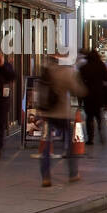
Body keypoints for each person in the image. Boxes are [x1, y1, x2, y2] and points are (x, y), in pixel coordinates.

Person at [38, 51, 85, 186]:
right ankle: (73, 173)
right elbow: (78, 90)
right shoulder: (66, 71)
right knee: (70, 143)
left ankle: (46, 176)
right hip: (62, 114)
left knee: (46, 144)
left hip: (47, 113)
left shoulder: (46, 70)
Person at [79, 50, 107, 147]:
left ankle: (90, 138)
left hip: (88, 95)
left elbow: (80, 80)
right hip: (99, 94)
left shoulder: (84, 67)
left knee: (89, 117)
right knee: (99, 116)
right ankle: (101, 134)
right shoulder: (101, 65)